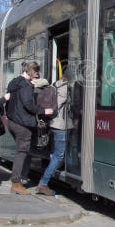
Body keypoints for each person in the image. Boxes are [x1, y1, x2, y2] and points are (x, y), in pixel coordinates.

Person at [37, 66, 74, 196]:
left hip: (52, 124)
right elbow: (59, 105)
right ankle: (43, 183)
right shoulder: (66, 88)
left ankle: (47, 177)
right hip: (60, 125)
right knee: (59, 156)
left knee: (55, 154)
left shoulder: (56, 84)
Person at [4, 61, 40, 195]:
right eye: (36, 72)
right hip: (23, 123)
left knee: (25, 151)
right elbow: (28, 104)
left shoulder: (14, 83)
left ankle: (21, 178)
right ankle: (16, 182)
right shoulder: (25, 86)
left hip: (12, 121)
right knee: (22, 152)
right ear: (31, 71)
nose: (37, 75)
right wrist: (42, 110)